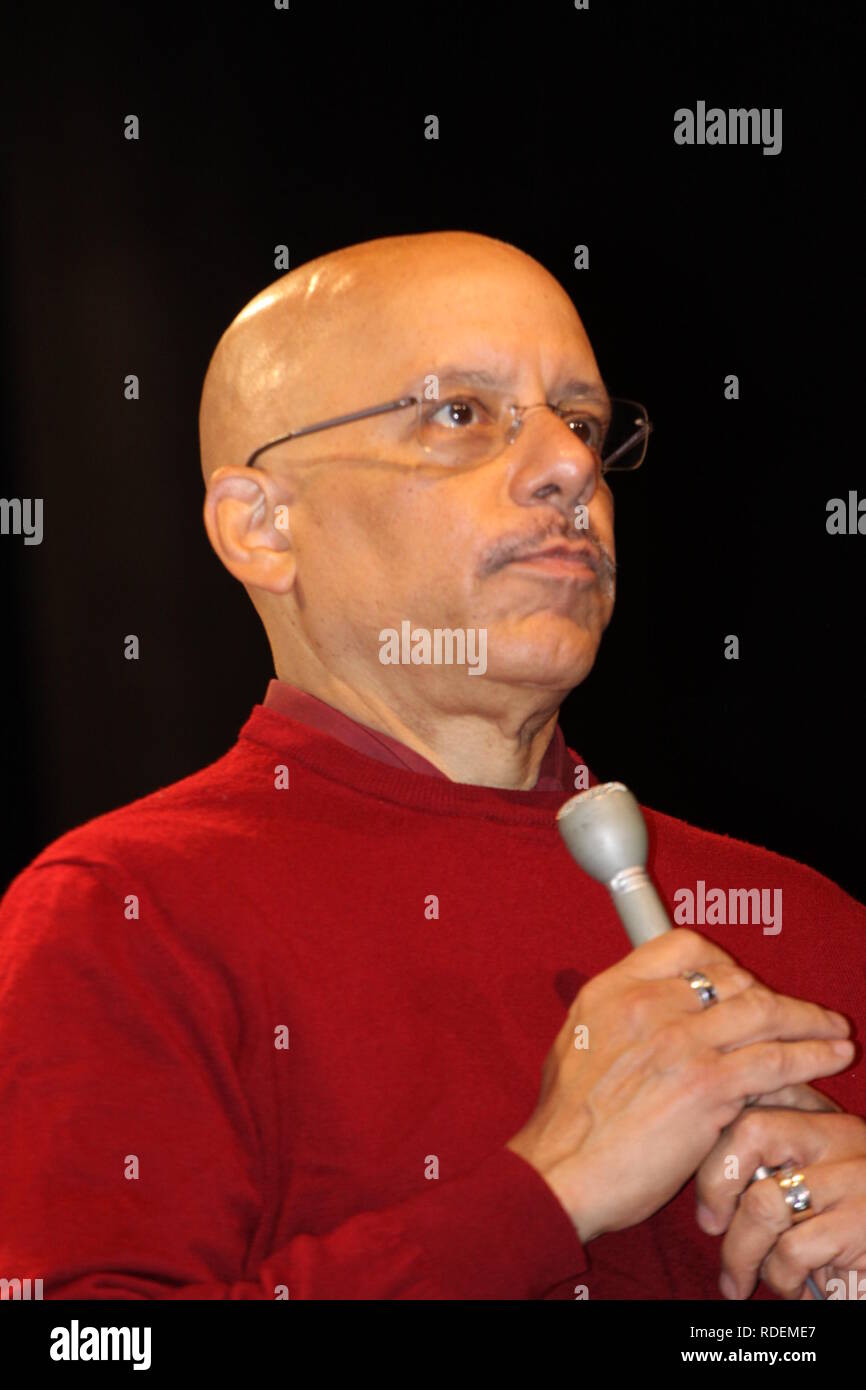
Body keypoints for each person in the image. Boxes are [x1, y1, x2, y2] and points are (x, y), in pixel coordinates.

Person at [0, 231, 863, 1301]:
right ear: (263, 527)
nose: (569, 468)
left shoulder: (803, 922)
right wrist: (546, 1192)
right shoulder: (126, 915)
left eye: (581, 422)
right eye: (458, 413)